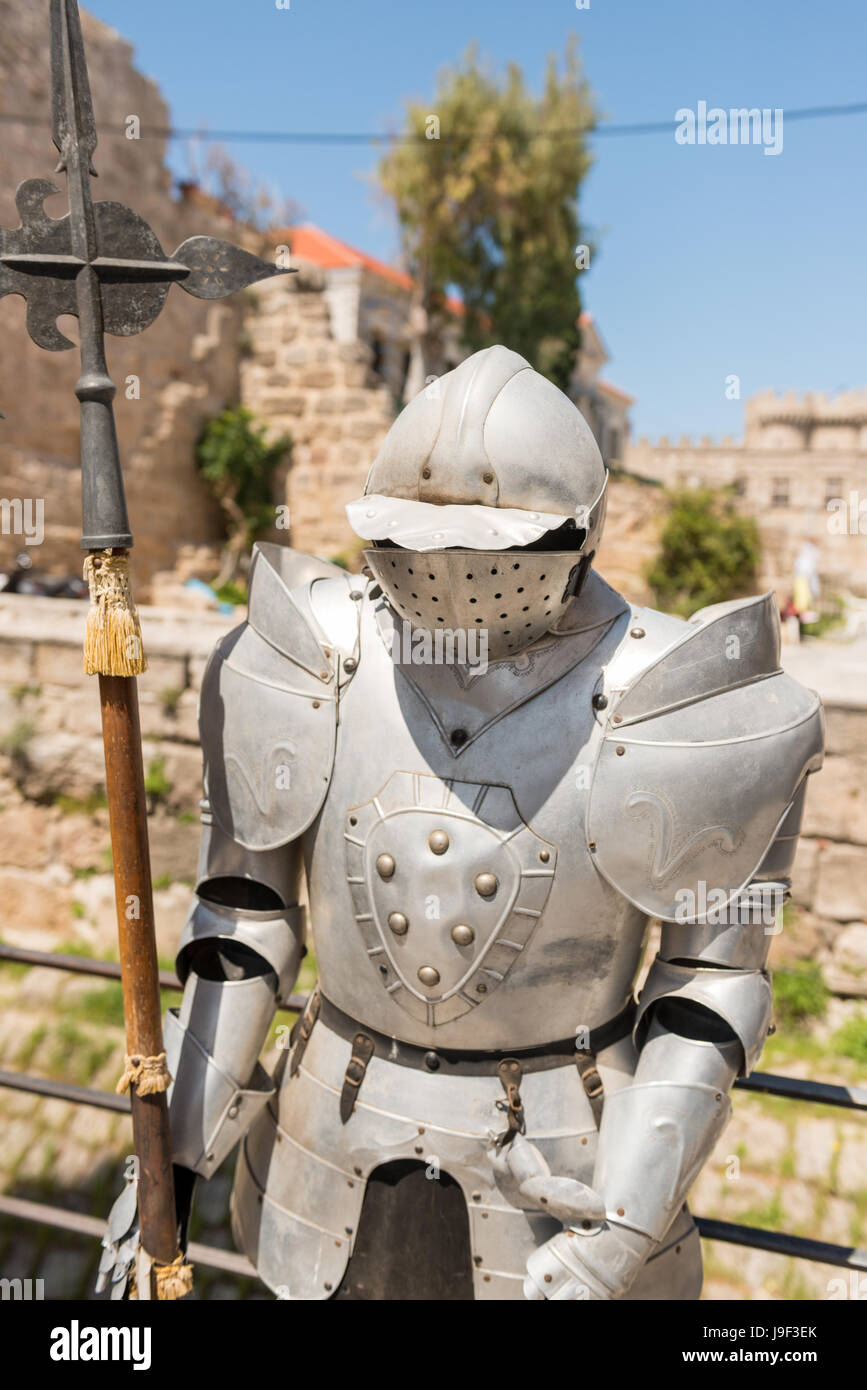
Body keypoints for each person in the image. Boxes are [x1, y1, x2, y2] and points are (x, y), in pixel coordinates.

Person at [102, 346, 824, 1300]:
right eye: (411, 546)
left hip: (564, 1165)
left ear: (576, 536)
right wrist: (167, 1158)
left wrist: (621, 1229)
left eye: (495, 551)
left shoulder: (677, 696)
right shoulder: (313, 651)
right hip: (324, 1128)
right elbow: (242, 923)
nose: (449, 578)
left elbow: (707, 991)